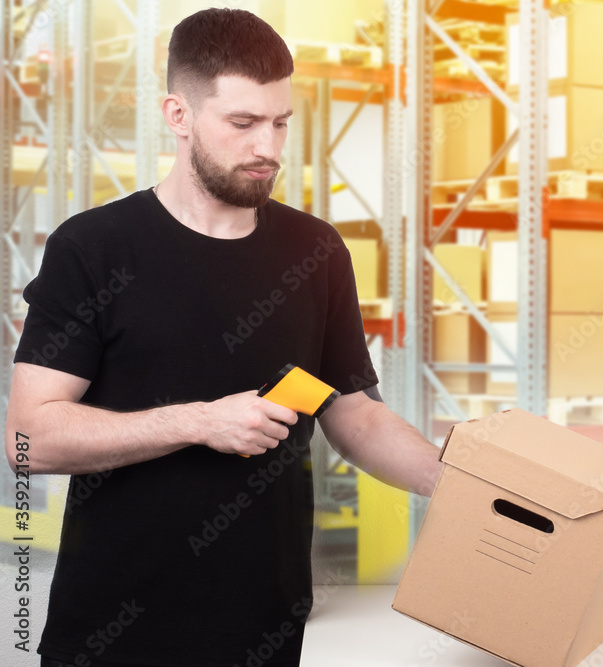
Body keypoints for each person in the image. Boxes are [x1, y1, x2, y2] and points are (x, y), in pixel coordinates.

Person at [4, 8, 443, 667]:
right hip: (112, 634)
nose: (266, 145)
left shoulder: (316, 251)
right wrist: (199, 421)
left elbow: (355, 417)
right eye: (242, 123)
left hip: (264, 630)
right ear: (178, 115)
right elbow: (26, 439)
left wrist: (461, 482)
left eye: (280, 122)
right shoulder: (93, 248)